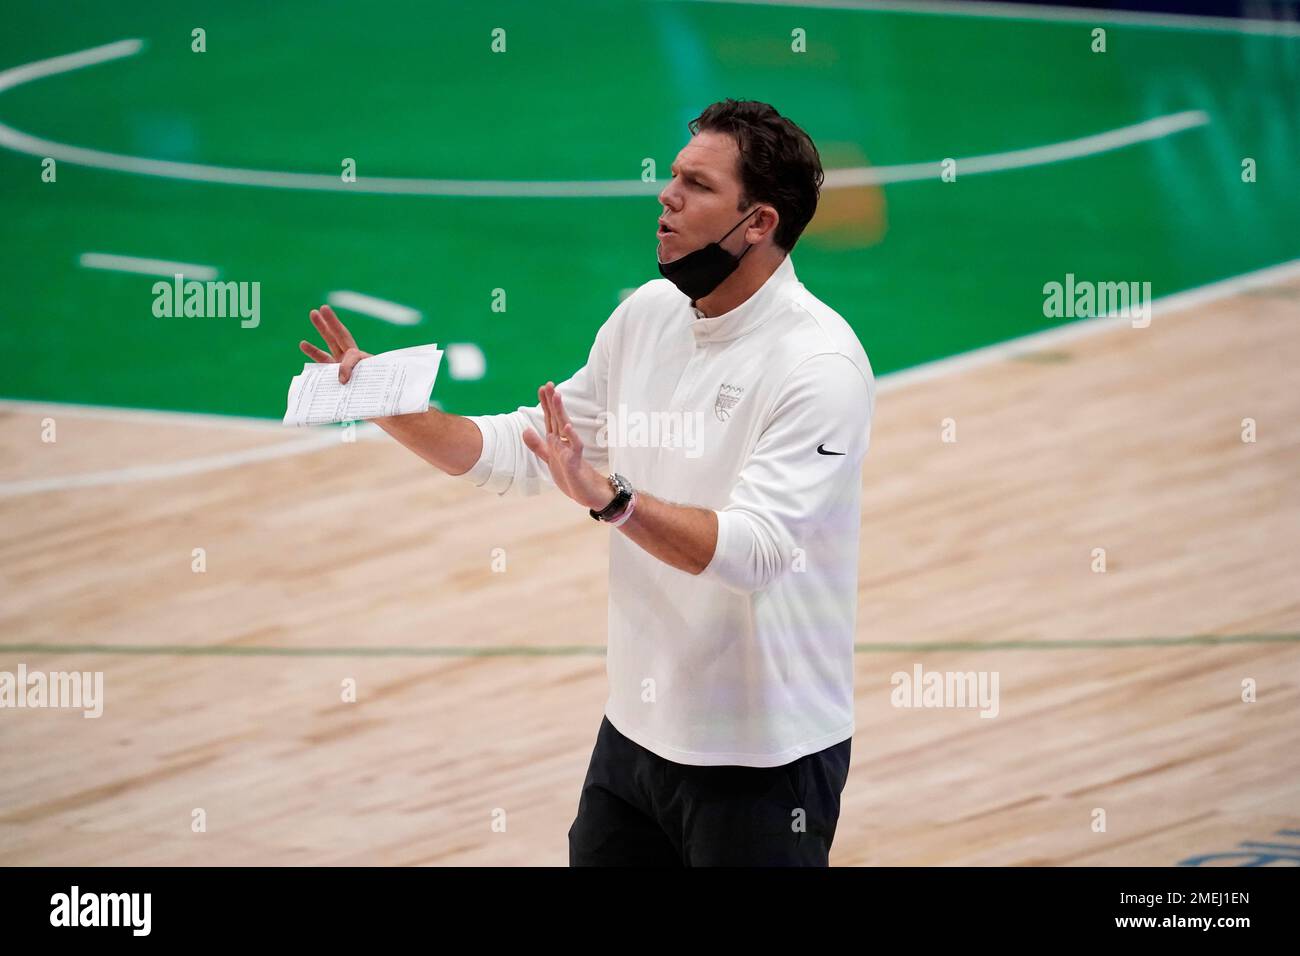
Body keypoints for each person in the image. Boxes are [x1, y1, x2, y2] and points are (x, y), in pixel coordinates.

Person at [299, 99, 875, 866]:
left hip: (764, 761)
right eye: (673, 176)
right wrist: (387, 402)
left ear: (759, 222)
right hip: (636, 738)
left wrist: (614, 500)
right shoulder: (647, 317)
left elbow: (756, 552)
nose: (666, 196)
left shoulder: (818, 366)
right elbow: (520, 448)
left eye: (697, 185)